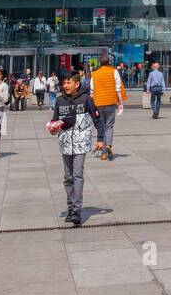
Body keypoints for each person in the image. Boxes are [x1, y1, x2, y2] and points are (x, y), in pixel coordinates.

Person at [49, 71, 103, 225]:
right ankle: (71, 207)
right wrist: (53, 128)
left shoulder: (86, 99)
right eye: (64, 82)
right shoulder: (60, 101)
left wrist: (100, 139)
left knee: (77, 174)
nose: (65, 85)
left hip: (81, 144)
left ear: (76, 84)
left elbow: (97, 119)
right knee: (68, 177)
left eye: (68, 82)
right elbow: (54, 121)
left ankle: (77, 211)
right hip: (65, 144)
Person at [90, 52, 126, 161]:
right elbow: (118, 89)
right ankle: (108, 146)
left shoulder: (94, 74)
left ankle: (104, 153)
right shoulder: (114, 72)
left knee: (102, 127)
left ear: (100, 62)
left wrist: (91, 107)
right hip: (110, 102)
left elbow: (92, 92)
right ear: (109, 62)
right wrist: (121, 103)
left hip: (98, 103)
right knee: (109, 126)